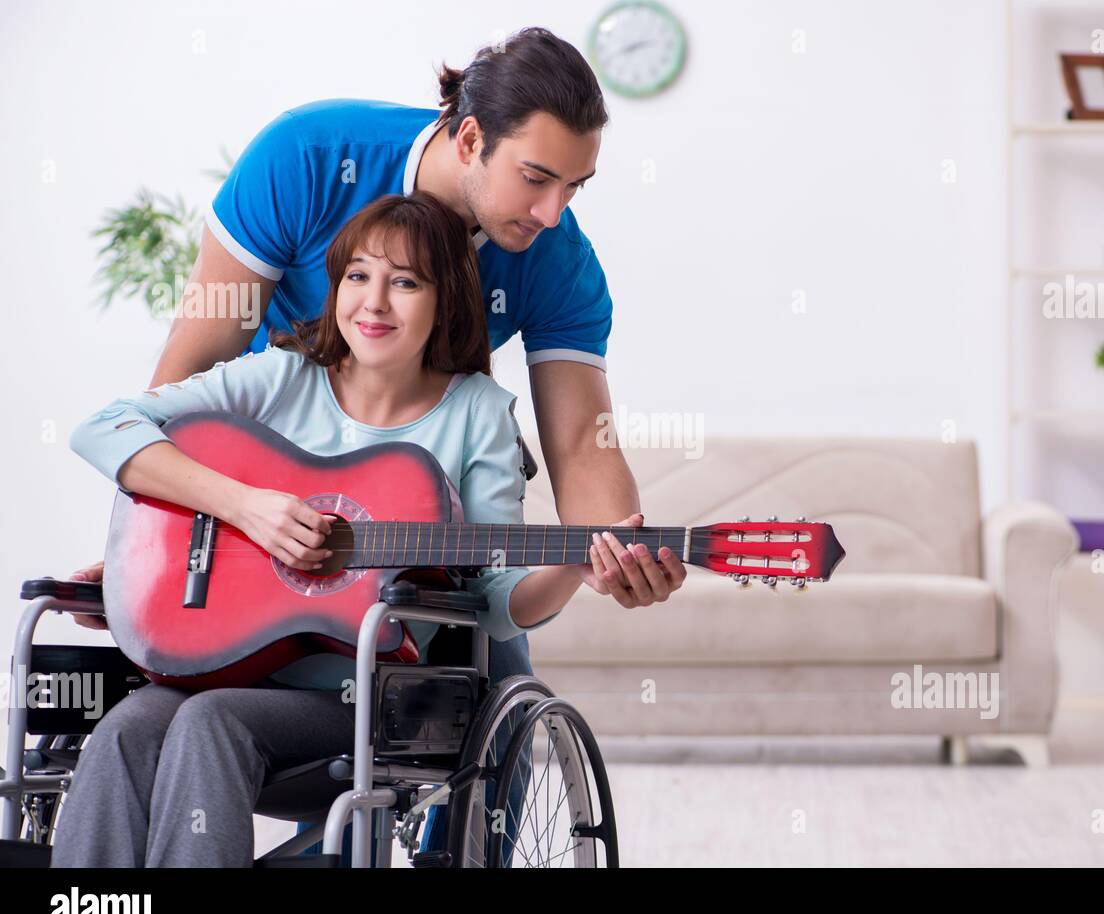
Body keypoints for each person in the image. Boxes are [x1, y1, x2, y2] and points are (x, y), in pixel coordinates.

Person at [52, 192, 668, 867]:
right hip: (232, 668)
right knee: (124, 730)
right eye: (357, 275)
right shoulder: (282, 378)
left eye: (404, 281)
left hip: (364, 699)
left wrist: (573, 568)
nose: (373, 301)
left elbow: (495, 601)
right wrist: (244, 505)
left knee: (209, 721)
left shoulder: (476, 413)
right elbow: (103, 426)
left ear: (447, 301)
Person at [68, 26, 686, 660]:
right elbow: (189, 373)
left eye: (575, 186)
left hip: (422, 548)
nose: (552, 212)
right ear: (471, 138)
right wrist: (152, 550)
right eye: (535, 178)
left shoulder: (558, 259)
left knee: (491, 675)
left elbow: (583, 440)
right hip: (255, 521)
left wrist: (622, 551)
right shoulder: (305, 157)